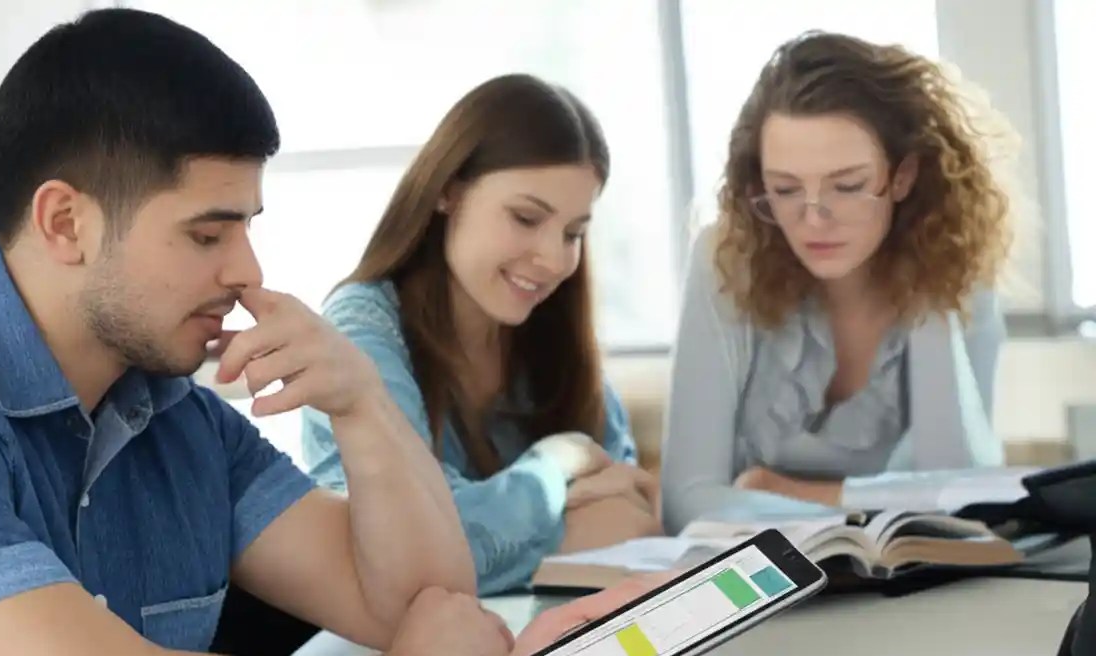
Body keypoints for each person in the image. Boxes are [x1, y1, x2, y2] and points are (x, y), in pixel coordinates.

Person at [0, 9, 515, 656]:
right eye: (207, 233)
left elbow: (427, 610)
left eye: (245, 228)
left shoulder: (178, 415)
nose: (248, 271)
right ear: (66, 224)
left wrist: (362, 403)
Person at [301, 74, 662, 596]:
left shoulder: (549, 329)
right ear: (449, 191)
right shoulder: (360, 333)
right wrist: (560, 463)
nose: (556, 259)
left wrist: (551, 527)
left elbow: (629, 511)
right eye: (525, 217)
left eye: (573, 232)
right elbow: (409, 558)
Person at [660, 31, 1018, 533]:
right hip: (761, 579)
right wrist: (871, 511)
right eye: (784, 189)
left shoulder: (955, 269)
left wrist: (797, 494)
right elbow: (686, 502)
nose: (813, 219)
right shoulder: (727, 257)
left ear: (903, 177)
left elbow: (966, 492)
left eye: (847, 186)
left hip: (912, 587)